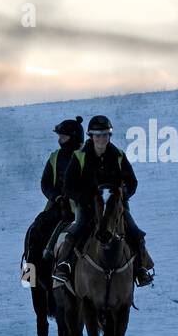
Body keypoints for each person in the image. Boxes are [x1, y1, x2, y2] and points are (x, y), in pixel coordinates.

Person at [53, 114, 155, 287]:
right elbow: (68, 186)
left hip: (115, 209)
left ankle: (140, 270)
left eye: (105, 134)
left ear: (110, 135)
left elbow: (132, 182)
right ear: (91, 136)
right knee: (75, 231)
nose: (101, 138)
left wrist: (122, 195)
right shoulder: (79, 157)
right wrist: (85, 198)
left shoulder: (119, 156)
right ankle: (64, 265)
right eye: (97, 135)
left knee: (135, 232)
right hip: (87, 207)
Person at [36, 116, 84, 261]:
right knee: (35, 232)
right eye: (60, 136)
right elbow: (46, 183)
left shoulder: (89, 156)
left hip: (85, 207)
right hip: (58, 207)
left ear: (73, 138)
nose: (59, 140)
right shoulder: (54, 157)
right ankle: (29, 276)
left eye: (63, 137)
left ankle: (140, 266)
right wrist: (56, 197)